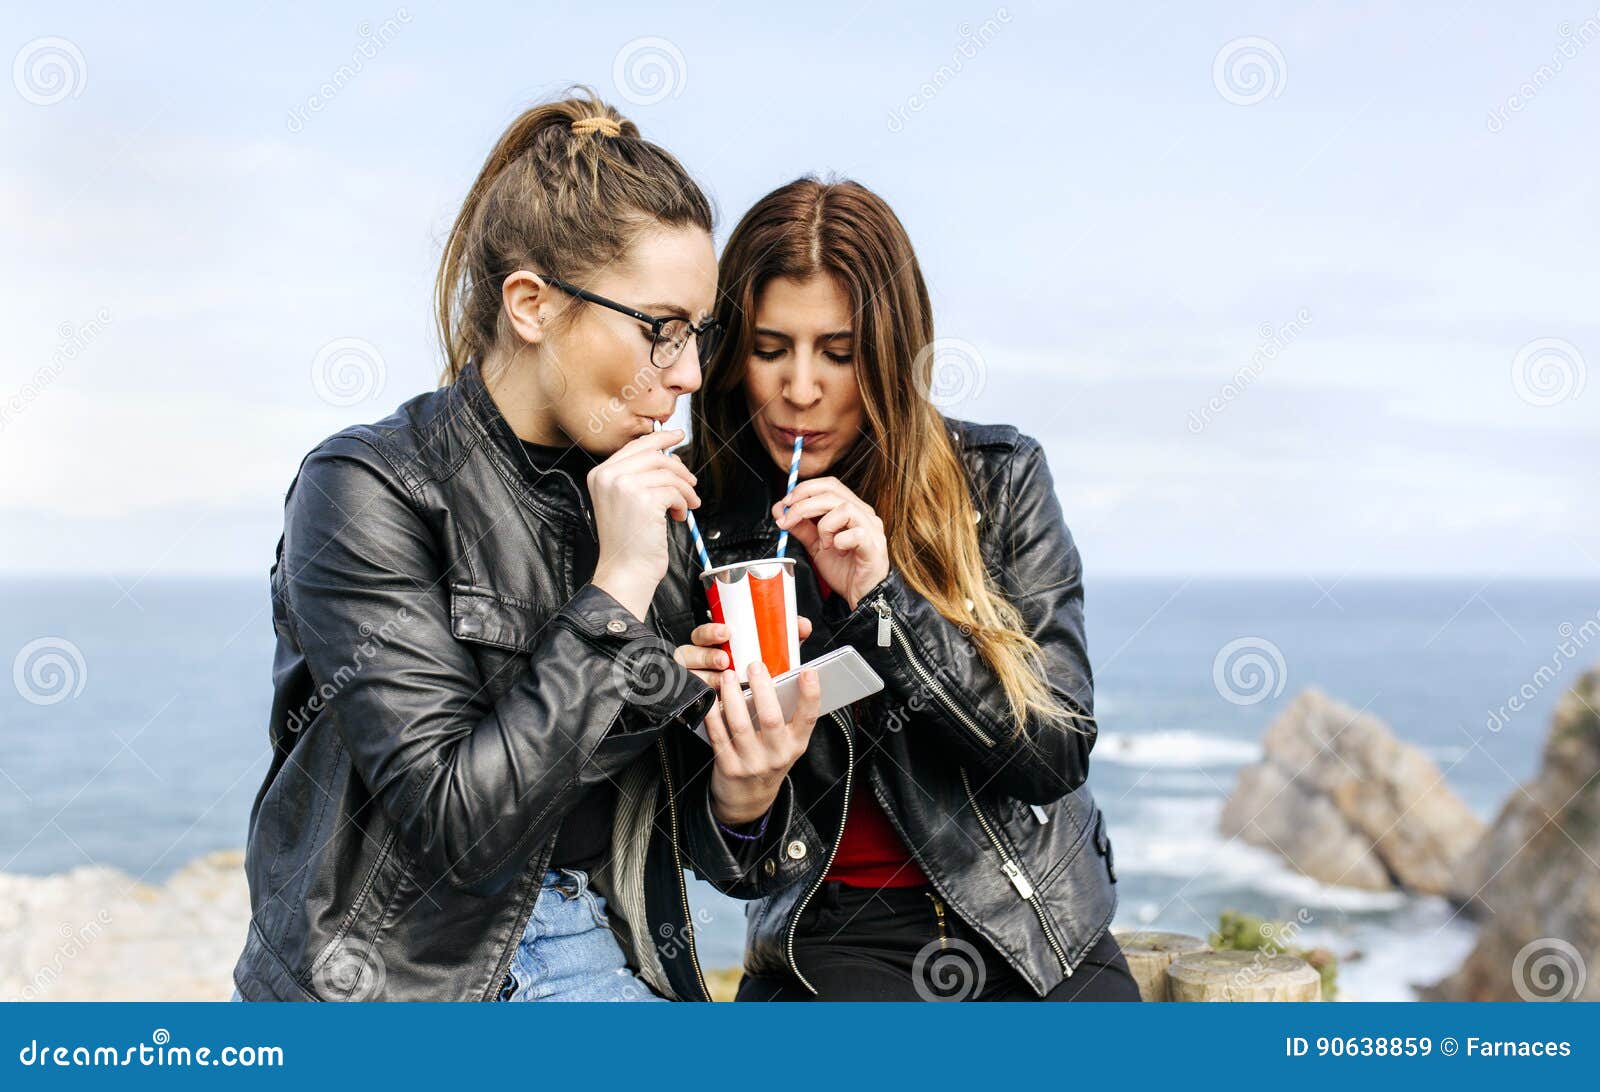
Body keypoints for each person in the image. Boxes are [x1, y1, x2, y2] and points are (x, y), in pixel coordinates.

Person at [232, 91, 819, 1002]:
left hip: (605, 944)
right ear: (532, 304)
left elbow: (712, 857)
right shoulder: (368, 489)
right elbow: (457, 832)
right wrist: (616, 590)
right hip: (407, 989)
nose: (693, 373)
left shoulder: (643, 497)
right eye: (661, 329)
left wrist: (746, 789)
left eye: (698, 334)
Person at [676, 177, 1139, 1001]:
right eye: (771, 347)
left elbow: (1055, 752)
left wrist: (885, 600)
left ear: (890, 354)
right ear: (729, 351)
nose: (802, 389)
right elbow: (723, 862)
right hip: (833, 931)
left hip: (1034, 922)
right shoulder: (696, 518)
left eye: (840, 353)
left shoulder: (995, 482)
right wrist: (736, 794)